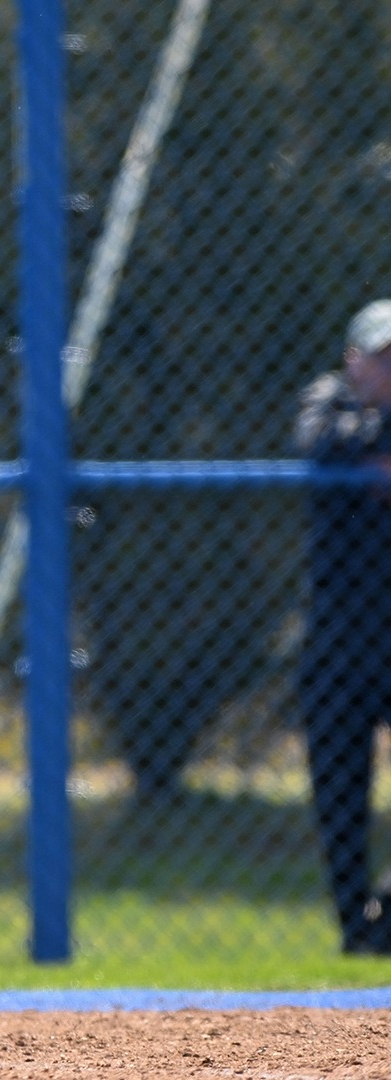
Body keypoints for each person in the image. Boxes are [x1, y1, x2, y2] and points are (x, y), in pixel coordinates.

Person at [294, 299, 391, 955]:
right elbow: (321, 443)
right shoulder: (327, 399)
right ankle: (357, 929)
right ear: (354, 360)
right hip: (337, 639)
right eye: (384, 359)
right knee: (338, 791)